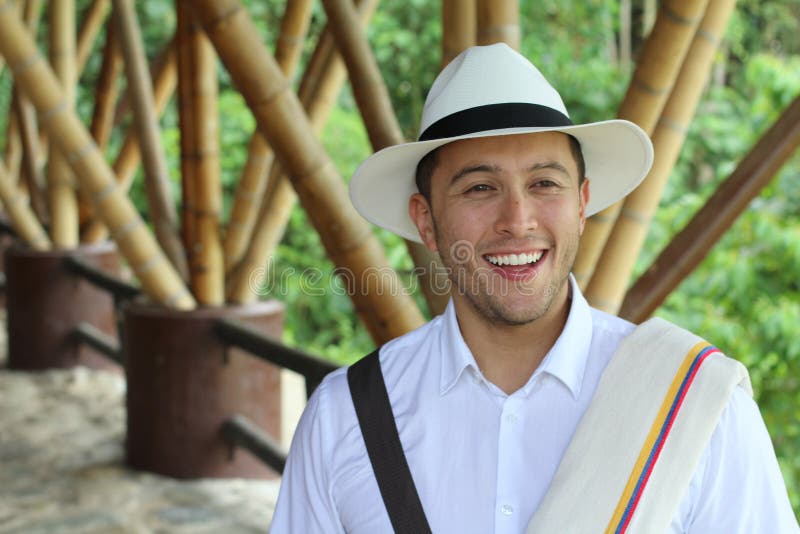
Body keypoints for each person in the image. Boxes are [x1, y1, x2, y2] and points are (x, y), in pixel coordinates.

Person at [271, 43, 798, 533]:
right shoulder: (345, 419)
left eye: (545, 183)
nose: (518, 220)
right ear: (426, 221)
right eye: (480, 187)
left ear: (582, 204)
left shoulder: (696, 409)